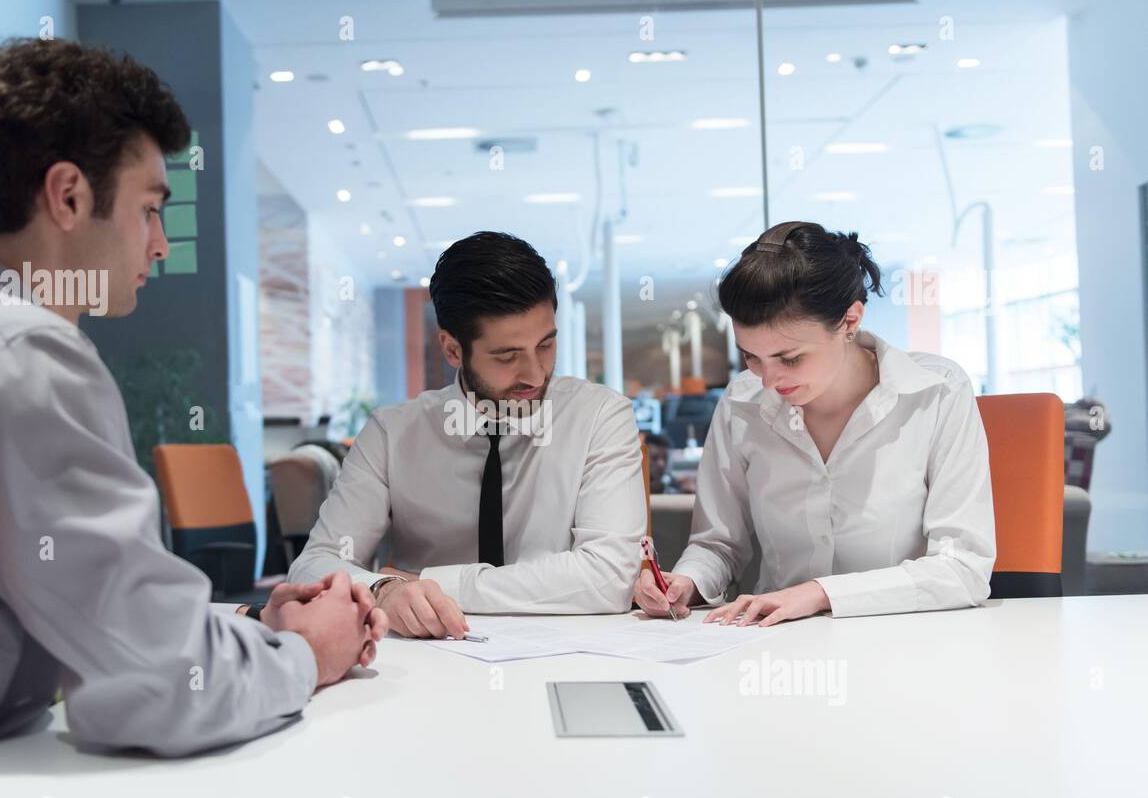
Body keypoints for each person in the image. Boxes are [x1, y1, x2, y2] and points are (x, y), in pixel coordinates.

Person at [0, 39, 385, 798]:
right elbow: (154, 687)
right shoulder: (25, 357)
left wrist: (251, 623)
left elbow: (75, 608)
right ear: (67, 196)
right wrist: (308, 650)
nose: (160, 244)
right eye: (149, 208)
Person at [634, 221, 995, 627]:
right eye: (751, 358)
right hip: (777, 646)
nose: (768, 381)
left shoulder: (937, 393)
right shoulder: (741, 402)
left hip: (906, 638)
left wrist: (819, 594)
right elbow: (719, 544)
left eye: (790, 359)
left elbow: (961, 568)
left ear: (850, 321)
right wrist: (687, 581)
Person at [288, 231, 647, 638]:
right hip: (425, 655)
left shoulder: (600, 415)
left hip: (566, 647)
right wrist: (384, 588)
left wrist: (426, 581)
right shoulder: (391, 434)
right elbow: (316, 563)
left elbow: (608, 578)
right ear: (453, 350)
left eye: (545, 345)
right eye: (507, 355)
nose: (535, 373)